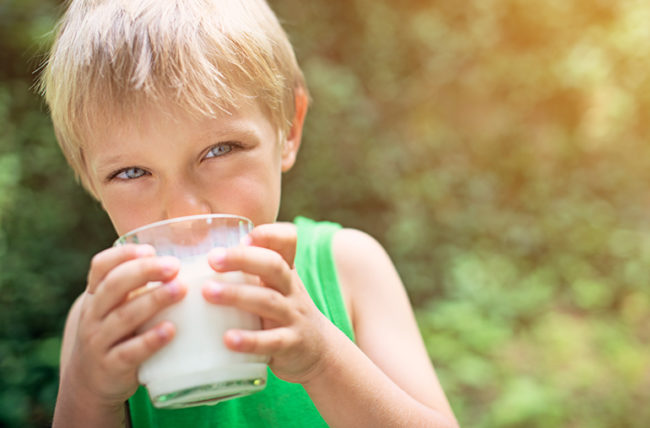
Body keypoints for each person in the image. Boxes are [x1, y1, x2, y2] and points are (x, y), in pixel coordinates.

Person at [40, 0, 458, 426]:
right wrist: (88, 393)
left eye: (219, 150)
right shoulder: (100, 323)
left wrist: (321, 359)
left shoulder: (346, 268)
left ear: (289, 129)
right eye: (132, 172)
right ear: (89, 178)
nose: (186, 213)